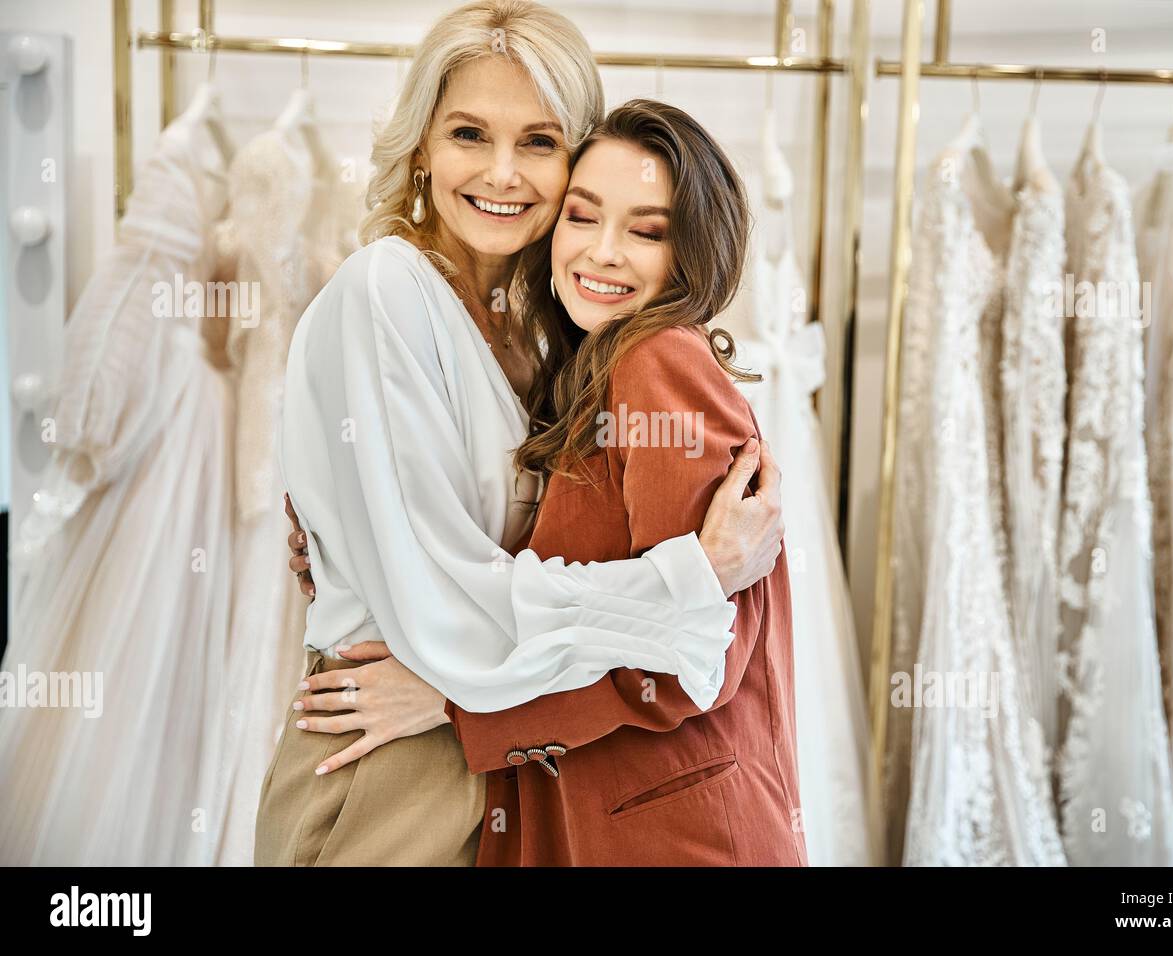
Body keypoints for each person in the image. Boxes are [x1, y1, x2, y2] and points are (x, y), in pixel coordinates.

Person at [256, 0, 783, 868]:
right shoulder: (384, 291)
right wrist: (694, 579)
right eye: (469, 133)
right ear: (422, 146)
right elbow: (451, 617)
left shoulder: (552, 334)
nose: (502, 172)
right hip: (394, 760)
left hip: (499, 765)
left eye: (538, 143)